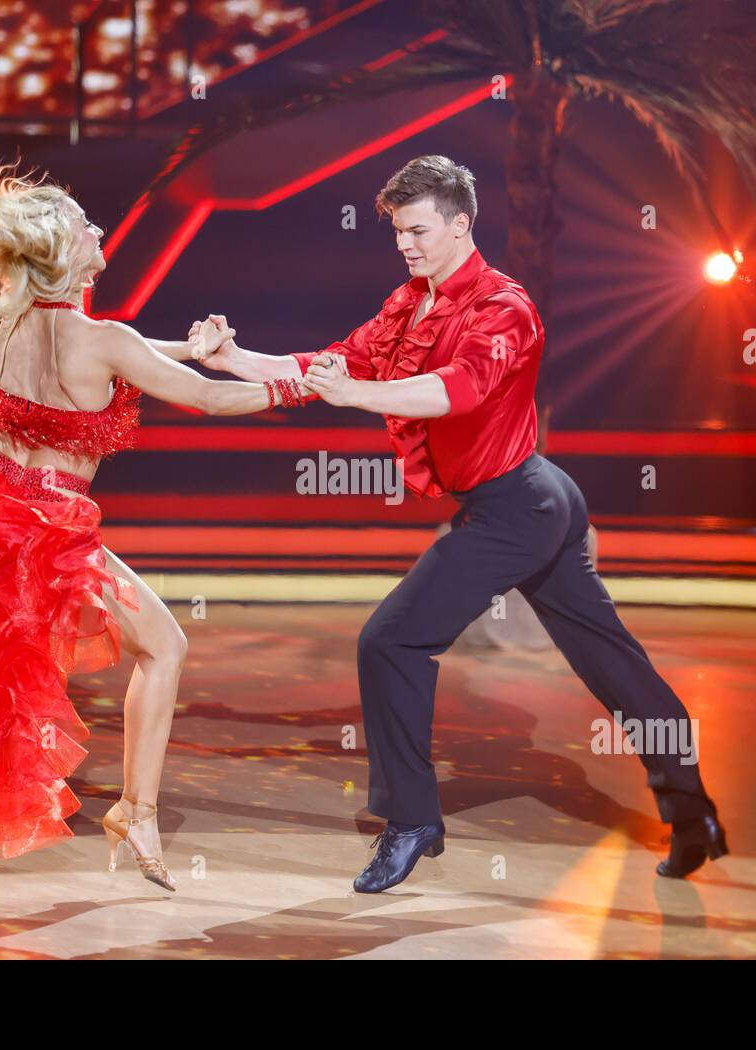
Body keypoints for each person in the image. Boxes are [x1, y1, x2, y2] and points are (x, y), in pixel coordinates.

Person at [190, 155, 727, 893]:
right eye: (398, 232)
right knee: (615, 666)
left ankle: (413, 822)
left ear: (460, 224)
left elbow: (458, 391)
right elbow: (331, 363)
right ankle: (694, 812)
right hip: (534, 496)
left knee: (390, 640)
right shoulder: (408, 302)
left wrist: (356, 394)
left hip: (520, 507)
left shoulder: (504, 307)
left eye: (417, 230)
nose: (405, 244)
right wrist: (235, 358)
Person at [0, 150, 309, 907]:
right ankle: (136, 815)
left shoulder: (14, 328)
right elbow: (205, 399)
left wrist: (184, 347)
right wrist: (297, 384)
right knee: (164, 645)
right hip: (50, 535)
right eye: (83, 224)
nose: (97, 227)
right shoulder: (104, 340)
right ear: (62, 252)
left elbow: (123, 358)